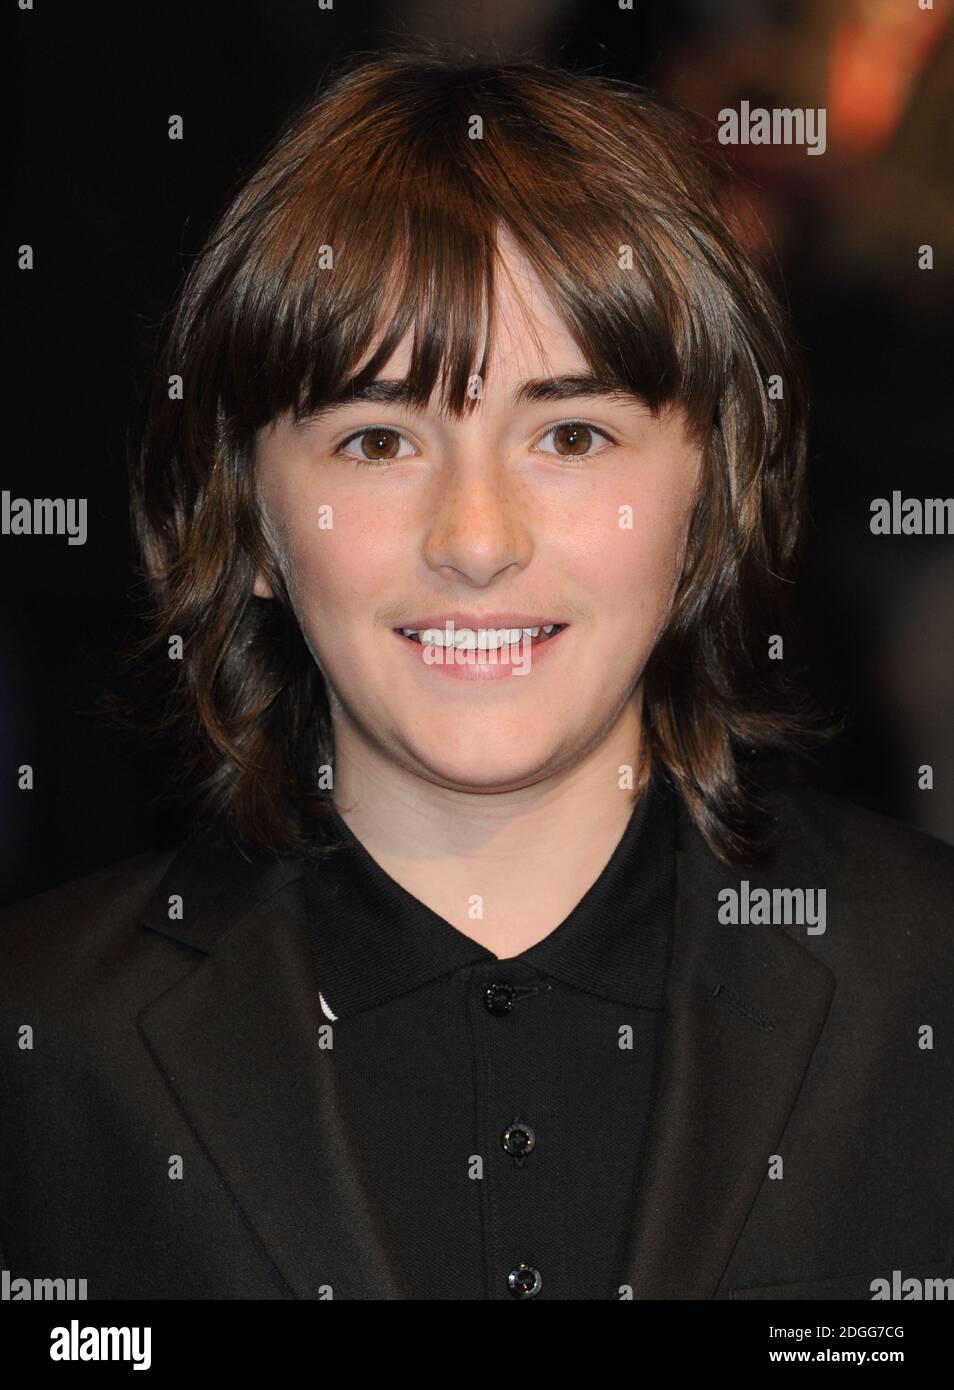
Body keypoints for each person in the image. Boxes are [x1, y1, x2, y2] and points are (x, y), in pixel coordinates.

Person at [2, 46, 951, 1302]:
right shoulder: (42, 1046)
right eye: (378, 438)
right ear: (247, 518)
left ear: (712, 492)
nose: (478, 538)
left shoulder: (923, 984)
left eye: (571, 434)